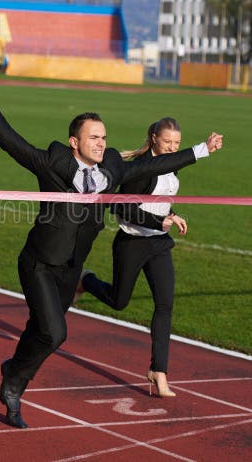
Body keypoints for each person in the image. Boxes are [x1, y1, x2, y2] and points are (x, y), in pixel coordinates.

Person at [0, 71, 222, 428]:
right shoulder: (52, 164)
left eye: (104, 137)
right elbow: (12, 142)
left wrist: (201, 150)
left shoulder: (111, 171)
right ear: (74, 142)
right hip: (39, 263)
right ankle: (14, 382)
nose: (101, 143)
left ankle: (13, 372)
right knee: (55, 332)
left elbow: (155, 163)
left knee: (41, 329)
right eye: (93, 137)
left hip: (71, 268)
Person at [78, 117, 218, 398]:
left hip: (158, 244)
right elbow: (122, 210)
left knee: (165, 304)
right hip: (132, 243)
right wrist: (159, 221)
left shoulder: (170, 165)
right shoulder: (140, 169)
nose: (173, 148)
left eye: (177, 143)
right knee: (119, 301)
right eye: (167, 142)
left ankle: (159, 370)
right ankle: (86, 281)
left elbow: (160, 198)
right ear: (154, 138)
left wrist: (170, 215)